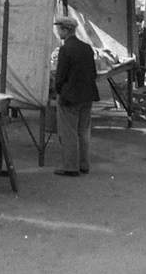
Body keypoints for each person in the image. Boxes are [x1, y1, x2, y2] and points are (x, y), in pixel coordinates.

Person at [52, 15, 99, 176]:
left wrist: (58, 91)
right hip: (87, 94)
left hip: (70, 96)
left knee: (69, 132)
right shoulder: (86, 47)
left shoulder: (65, 49)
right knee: (83, 131)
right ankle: (84, 164)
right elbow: (93, 72)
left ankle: (71, 167)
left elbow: (60, 76)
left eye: (59, 29)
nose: (58, 32)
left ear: (65, 30)